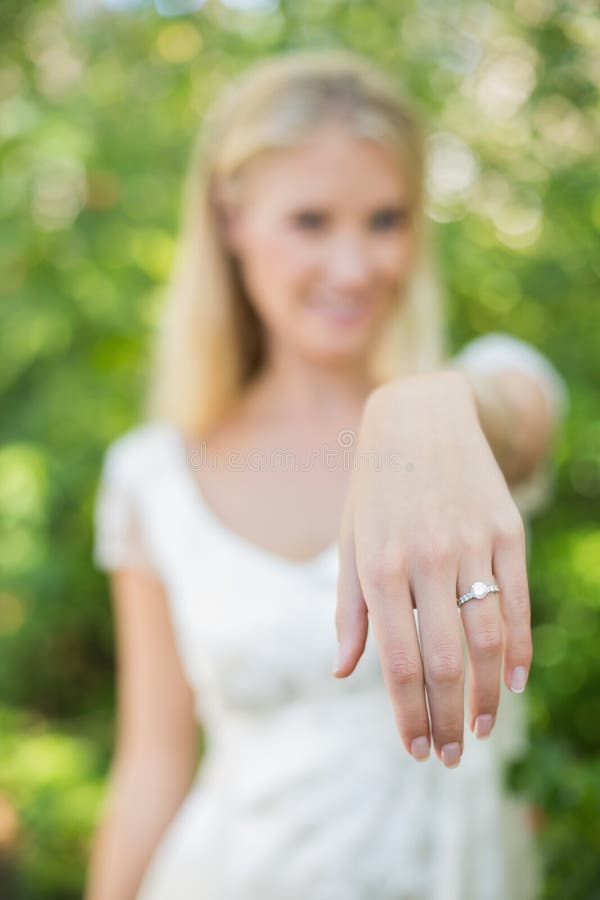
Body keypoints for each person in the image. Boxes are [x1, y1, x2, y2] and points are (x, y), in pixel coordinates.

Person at [85, 49, 569, 900]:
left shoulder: (457, 430)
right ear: (231, 221)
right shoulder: (152, 476)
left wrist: (435, 404)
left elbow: (528, 397)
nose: (355, 267)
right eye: (311, 221)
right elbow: (153, 765)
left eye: (386, 220)